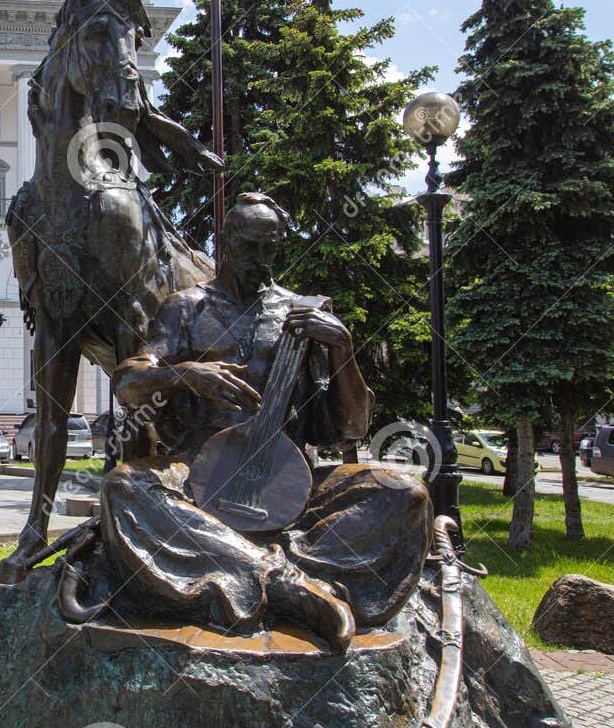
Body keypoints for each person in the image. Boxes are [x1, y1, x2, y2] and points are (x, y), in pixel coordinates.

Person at [98, 193, 431, 650]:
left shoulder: (303, 313)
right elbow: (128, 383)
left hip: (288, 479)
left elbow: (353, 427)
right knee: (124, 488)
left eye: (271, 248)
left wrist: (343, 350)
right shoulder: (186, 308)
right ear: (225, 242)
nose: (261, 260)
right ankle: (290, 583)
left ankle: (243, 566)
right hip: (196, 476)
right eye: (249, 247)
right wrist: (186, 374)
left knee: (405, 494)